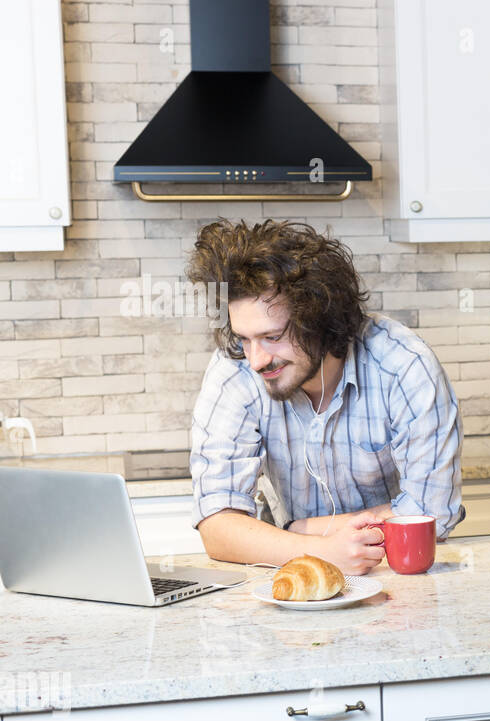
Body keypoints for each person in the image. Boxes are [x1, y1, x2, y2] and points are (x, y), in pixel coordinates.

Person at [187, 219, 462, 575]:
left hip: (397, 580)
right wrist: (322, 550)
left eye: (272, 336)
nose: (256, 360)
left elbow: (432, 513)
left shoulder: (404, 365)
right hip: (291, 581)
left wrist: (297, 529)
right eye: (244, 338)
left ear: (319, 318)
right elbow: (218, 528)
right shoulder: (234, 371)